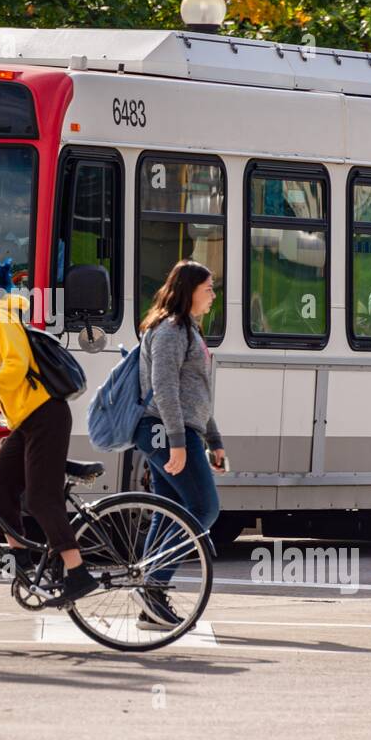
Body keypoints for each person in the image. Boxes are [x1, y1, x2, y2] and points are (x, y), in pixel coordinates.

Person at [0, 253, 98, 606]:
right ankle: (18, 556)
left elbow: (15, 368)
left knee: (40, 499)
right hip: (26, 419)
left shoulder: (0, 317)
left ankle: (78, 573)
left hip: (45, 416)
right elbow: (4, 379)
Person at [133, 260, 226, 628]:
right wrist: (177, 442)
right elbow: (166, 391)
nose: (213, 296)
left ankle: (149, 600)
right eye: (208, 289)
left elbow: (196, 395)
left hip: (179, 430)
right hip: (164, 430)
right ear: (188, 291)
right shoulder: (171, 331)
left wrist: (214, 439)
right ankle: (153, 584)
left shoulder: (188, 329)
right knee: (204, 509)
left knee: (168, 511)